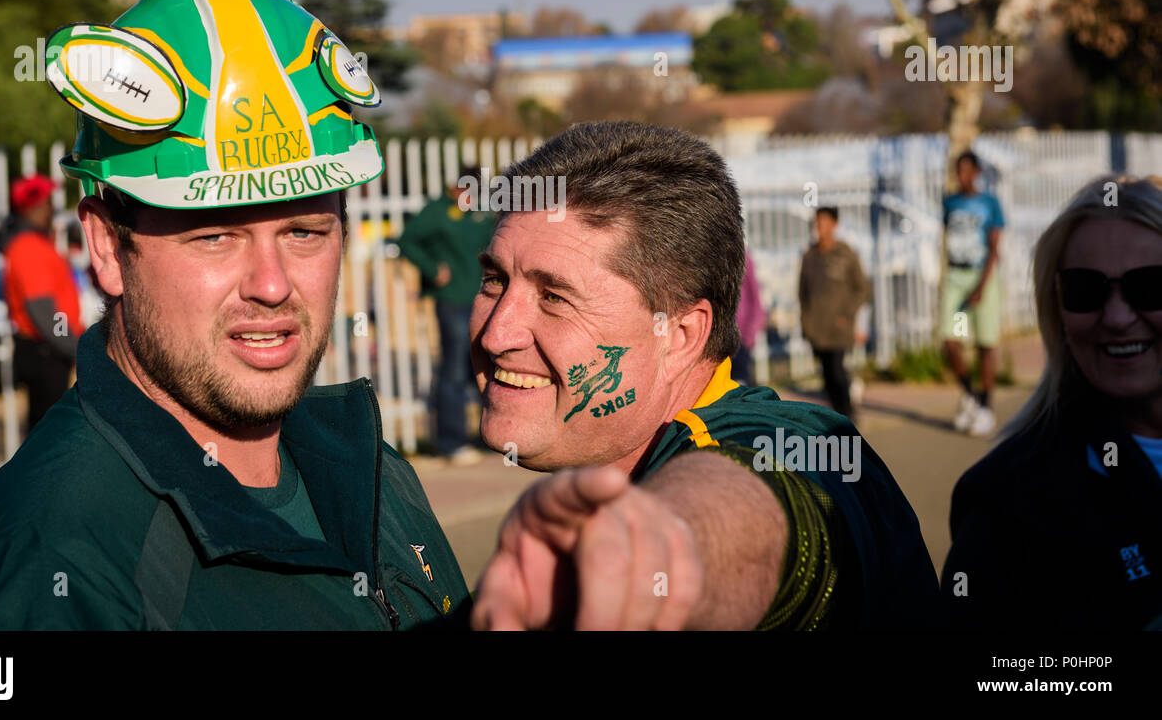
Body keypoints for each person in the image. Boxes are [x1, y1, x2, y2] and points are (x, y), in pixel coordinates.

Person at [0, 0, 467, 629]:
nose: (273, 284)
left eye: (306, 230)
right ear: (103, 245)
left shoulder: (372, 469)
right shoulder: (44, 563)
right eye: (214, 235)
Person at [468, 121, 939, 630]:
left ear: (681, 335)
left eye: (555, 297)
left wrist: (652, 550)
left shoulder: (786, 446)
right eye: (495, 280)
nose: (497, 334)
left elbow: (751, 507)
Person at [943, 175, 1162, 630]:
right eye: (1086, 290)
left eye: (1150, 286)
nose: (1118, 318)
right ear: (1056, 310)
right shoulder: (1005, 503)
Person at [396, 166, 495, 464]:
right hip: (452, 302)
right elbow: (407, 242)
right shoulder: (437, 212)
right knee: (453, 371)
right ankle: (451, 443)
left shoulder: (481, 214)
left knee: (483, 368)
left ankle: (491, 435)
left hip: (484, 301)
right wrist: (431, 269)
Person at [1, 173, 84, 433]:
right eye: (47, 202)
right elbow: (42, 311)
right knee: (48, 433)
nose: (51, 208)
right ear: (33, 207)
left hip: (46, 351)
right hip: (45, 353)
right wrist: (75, 348)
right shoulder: (28, 248)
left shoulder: (33, 243)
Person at [941, 150, 1005, 437]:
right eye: (958, 170)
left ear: (977, 172)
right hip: (957, 277)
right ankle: (970, 394)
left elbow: (994, 248)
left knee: (984, 343)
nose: (962, 176)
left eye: (967, 170)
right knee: (952, 339)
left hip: (982, 277)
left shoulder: (990, 203)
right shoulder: (950, 202)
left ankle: (986, 407)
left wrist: (980, 287)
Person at [798, 206, 871, 420]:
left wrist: (847, 315)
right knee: (827, 374)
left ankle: (847, 413)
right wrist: (805, 322)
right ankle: (838, 412)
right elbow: (803, 292)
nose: (819, 227)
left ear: (834, 225)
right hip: (817, 327)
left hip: (839, 326)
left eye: (824, 222)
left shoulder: (846, 254)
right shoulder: (810, 255)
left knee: (837, 369)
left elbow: (862, 288)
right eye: (817, 222)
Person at [731, 249, 765, 386]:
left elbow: (756, 302)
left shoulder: (744, 258)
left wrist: (748, 336)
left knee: (739, 387)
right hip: (714, 342)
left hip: (740, 340)